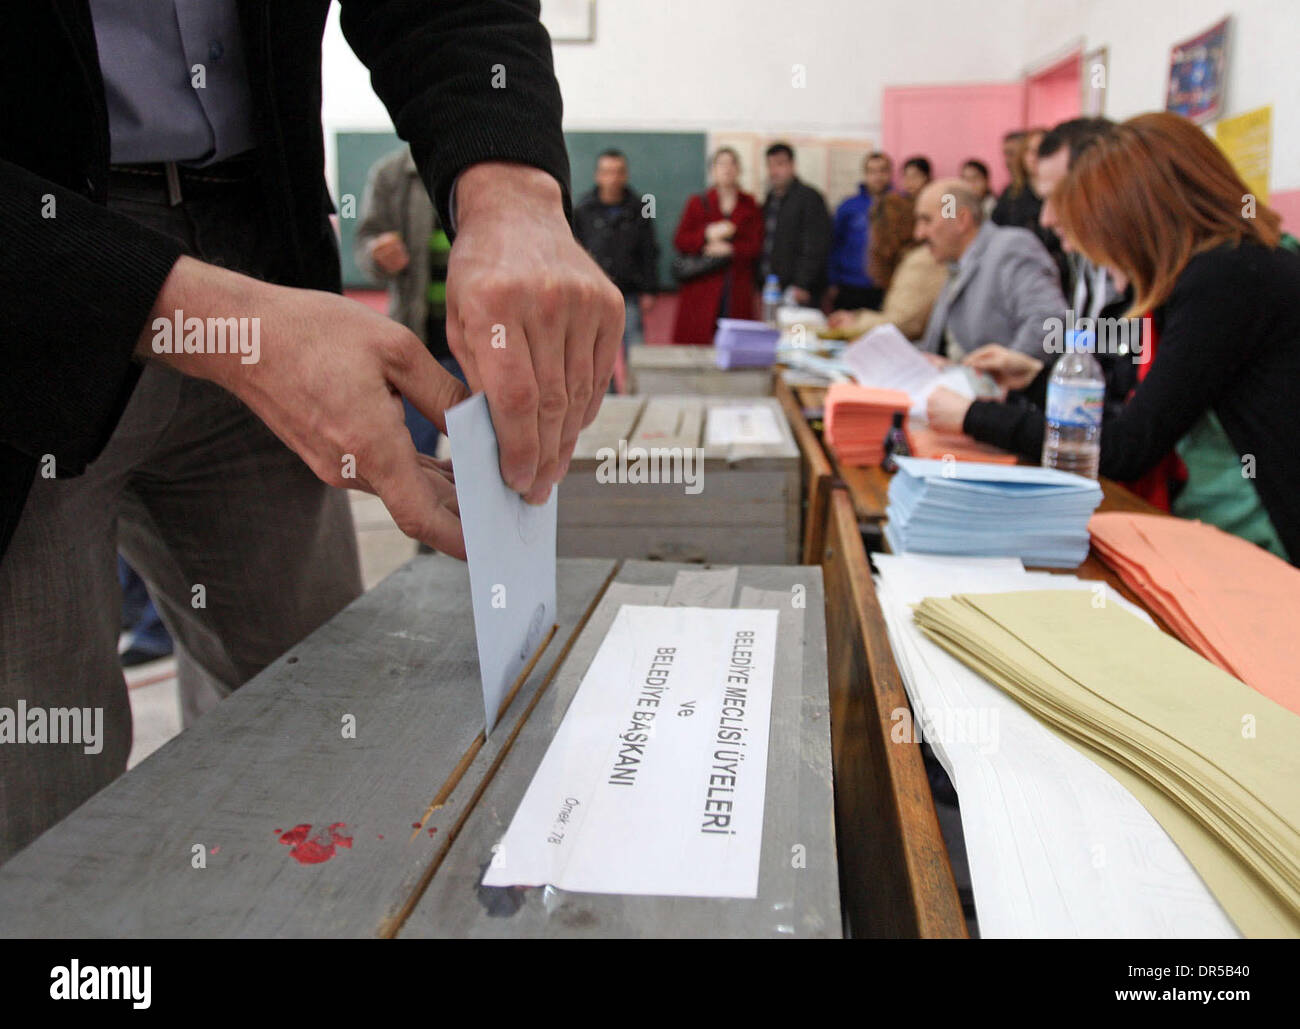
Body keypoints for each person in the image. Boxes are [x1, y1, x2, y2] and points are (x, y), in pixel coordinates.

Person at [0, 1, 623, 864]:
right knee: (35, 794)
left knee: (317, 717)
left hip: (269, 244)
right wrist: (172, 303)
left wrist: (511, 183)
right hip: (30, 273)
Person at [931, 113, 1300, 563]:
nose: (1063, 232)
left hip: (1264, 550)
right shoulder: (1226, 268)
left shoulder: (1226, 278)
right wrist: (1034, 381)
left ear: (1136, 213)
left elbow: (1128, 445)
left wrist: (977, 416)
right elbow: (1131, 408)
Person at [928, 118, 1133, 455]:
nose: (1046, 220)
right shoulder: (1087, 268)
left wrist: (981, 414)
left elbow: (1125, 438)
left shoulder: (1014, 246)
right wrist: (1035, 379)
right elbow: (1099, 391)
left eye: (1057, 198)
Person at [355, 145, 466, 456]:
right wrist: (378, 252)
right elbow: (366, 240)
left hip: (481, 344)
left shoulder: (488, 171)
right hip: (416, 341)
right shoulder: (390, 174)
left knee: (484, 459)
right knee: (415, 456)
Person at [913, 179, 1067, 359]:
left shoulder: (1011, 247)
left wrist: (1003, 373)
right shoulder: (956, 264)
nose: (919, 233)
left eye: (926, 221)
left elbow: (1049, 321)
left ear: (961, 219)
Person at [572, 149, 660, 369]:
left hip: (629, 292)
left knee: (636, 350)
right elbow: (574, 250)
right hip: (594, 294)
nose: (612, 177)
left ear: (625, 175)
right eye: (607, 172)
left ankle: (636, 398)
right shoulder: (583, 209)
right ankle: (605, 400)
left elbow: (649, 249)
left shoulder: (642, 209)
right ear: (597, 176)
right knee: (596, 354)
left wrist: (650, 289)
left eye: (618, 172)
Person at [670, 147, 763, 344]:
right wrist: (706, 235)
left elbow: (756, 246)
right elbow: (680, 240)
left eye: (732, 164)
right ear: (712, 170)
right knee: (698, 345)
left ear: (739, 169)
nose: (727, 169)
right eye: (721, 164)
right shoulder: (698, 203)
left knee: (736, 346)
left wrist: (731, 250)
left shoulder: (750, 204)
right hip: (702, 288)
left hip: (737, 287)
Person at [827, 193, 946, 341]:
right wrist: (857, 317)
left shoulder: (919, 262)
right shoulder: (912, 259)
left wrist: (856, 323)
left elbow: (902, 323)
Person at [759, 142, 832, 306]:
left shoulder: (809, 198)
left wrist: (802, 283)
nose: (774, 171)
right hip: (773, 289)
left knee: (798, 331)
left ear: (792, 165)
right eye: (770, 165)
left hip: (799, 290)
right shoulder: (770, 200)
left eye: (780, 164)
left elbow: (816, 245)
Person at [827, 152, 892, 311]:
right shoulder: (849, 206)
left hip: (885, 287)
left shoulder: (898, 207)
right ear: (865, 174)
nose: (878, 176)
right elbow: (834, 245)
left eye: (882, 170)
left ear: (889, 173)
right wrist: (832, 281)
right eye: (872, 171)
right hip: (850, 285)